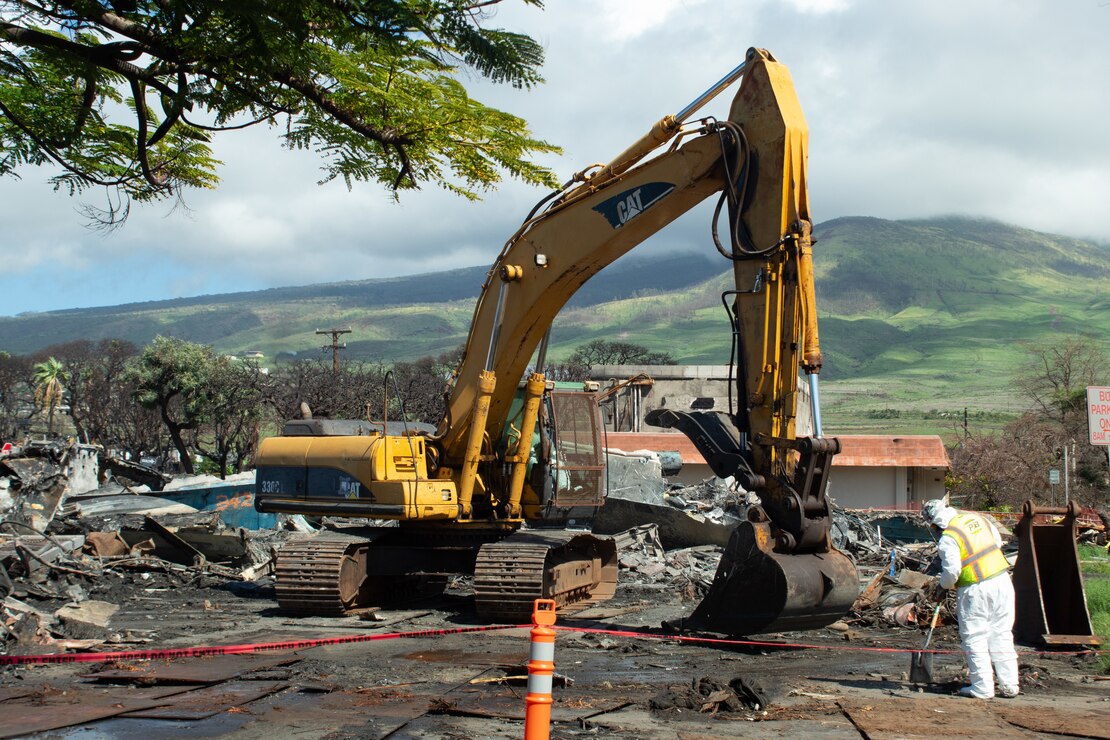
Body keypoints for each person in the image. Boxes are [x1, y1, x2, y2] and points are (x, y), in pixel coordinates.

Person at [921, 497, 1020, 699]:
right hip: (1002, 581)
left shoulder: (949, 537)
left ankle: (983, 688)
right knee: (1001, 634)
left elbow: (952, 572)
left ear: (934, 523)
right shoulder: (978, 519)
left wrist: (942, 587)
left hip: (975, 589)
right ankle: (1009, 684)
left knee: (975, 637)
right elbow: (996, 543)